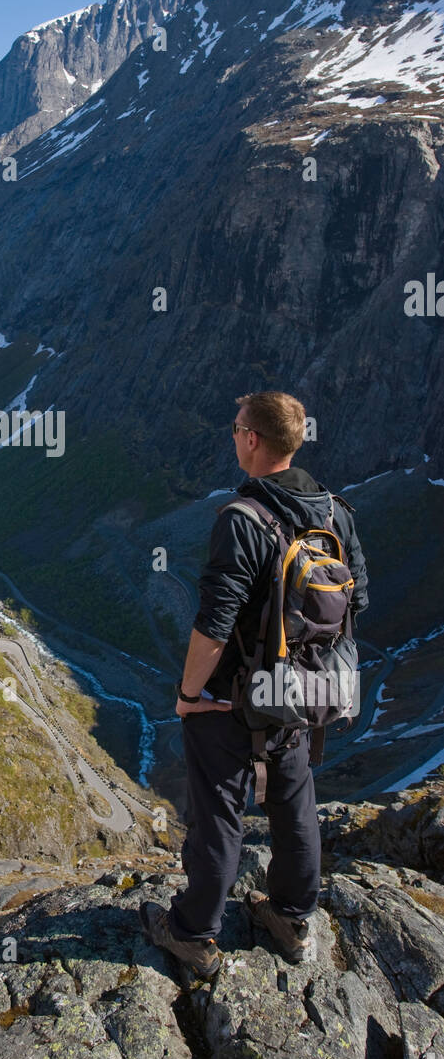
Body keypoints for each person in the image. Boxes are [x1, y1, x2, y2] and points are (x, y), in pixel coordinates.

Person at [140, 391, 368, 977]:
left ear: (252, 439)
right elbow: (357, 602)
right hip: (301, 692)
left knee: (219, 811)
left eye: (236, 426)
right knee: (294, 800)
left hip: (232, 694)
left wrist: (190, 695)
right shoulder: (336, 513)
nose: (233, 435)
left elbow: (214, 623)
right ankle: (293, 917)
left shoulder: (243, 520)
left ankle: (193, 931)